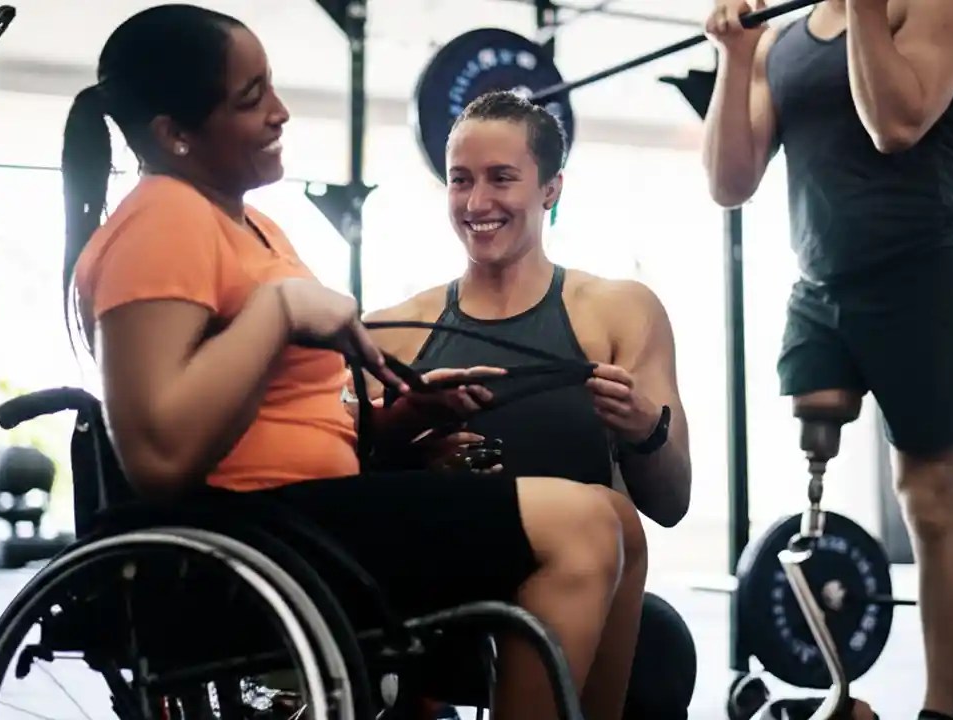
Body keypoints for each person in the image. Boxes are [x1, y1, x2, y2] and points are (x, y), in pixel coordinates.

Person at [60, 6, 645, 720]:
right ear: (175, 135)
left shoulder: (248, 223)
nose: (279, 113)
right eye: (252, 99)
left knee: (618, 518)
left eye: (270, 87)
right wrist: (280, 312)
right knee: (582, 524)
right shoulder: (162, 218)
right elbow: (158, 457)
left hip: (304, 523)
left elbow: (280, 419)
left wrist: (404, 419)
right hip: (253, 544)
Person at [364, 90, 697, 718]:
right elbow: (353, 472)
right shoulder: (397, 328)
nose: (477, 202)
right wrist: (412, 449)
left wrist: (644, 431)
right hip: (439, 586)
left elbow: (672, 503)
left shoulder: (618, 310)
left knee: (659, 636)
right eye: (460, 180)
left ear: (550, 188)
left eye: (501, 178)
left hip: (577, 575)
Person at [702, 1, 953, 719]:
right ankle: (837, 688)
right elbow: (729, 183)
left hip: (924, 273)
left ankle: (938, 710)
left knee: (928, 493)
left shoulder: (938, 6)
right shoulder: (785, 41)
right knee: (813, 468)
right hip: (821, 285)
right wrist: (736, 59)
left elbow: (895, 126)